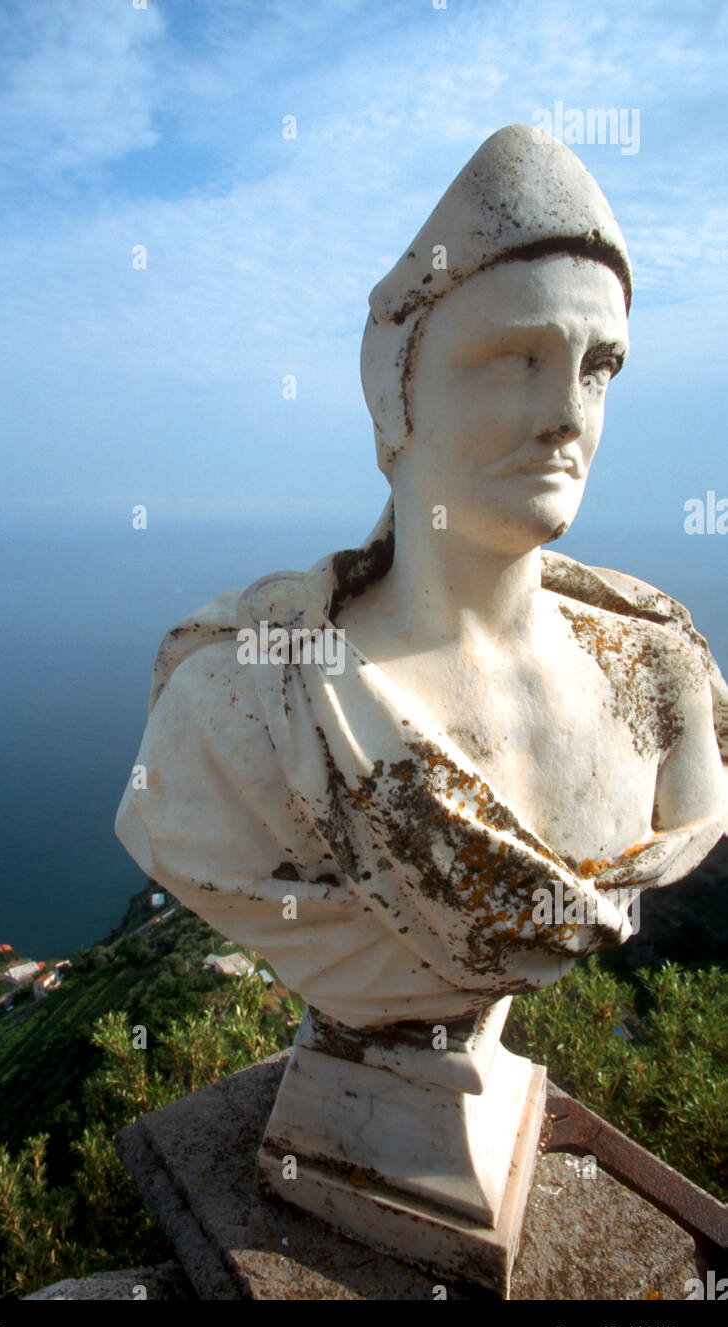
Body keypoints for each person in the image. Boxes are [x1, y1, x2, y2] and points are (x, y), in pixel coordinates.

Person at [115, 125, 727, 1030]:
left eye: (597, 370)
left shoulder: (663, 677)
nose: (568, 416)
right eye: (518, 357)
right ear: (393, 391)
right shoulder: (237, 706)